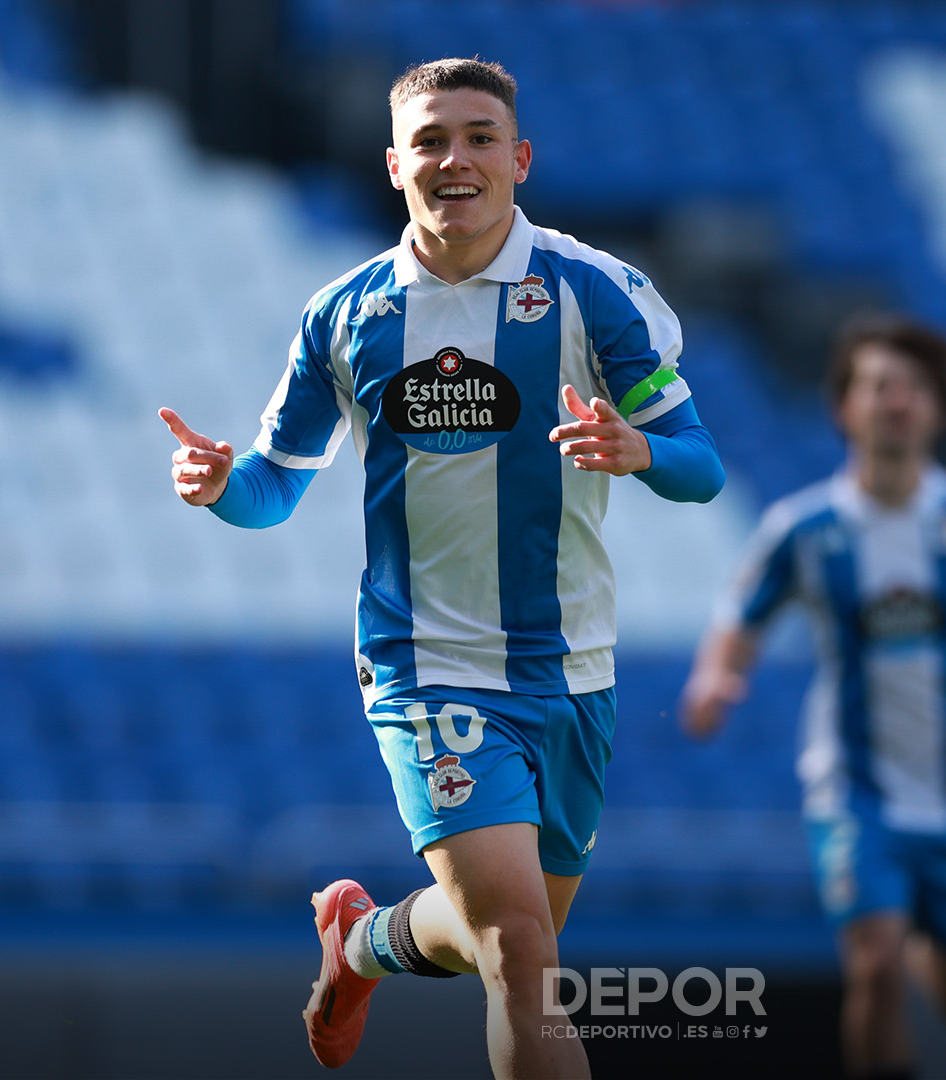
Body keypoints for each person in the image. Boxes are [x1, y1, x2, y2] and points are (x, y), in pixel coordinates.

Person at [159, 58, 722, 1078]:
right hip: (425, 665)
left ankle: (364, 942)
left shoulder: (594, 295)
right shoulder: (347, 313)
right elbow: (274, 486)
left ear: (519, 158)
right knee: (520, 951)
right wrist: (215, 485)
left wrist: (642, 452)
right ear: (392, 164)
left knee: (508, 939)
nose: (453, 157)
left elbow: (704, 470)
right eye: (429, 139)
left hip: (572, 667)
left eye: (476, 136)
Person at [681, 317, 946, 1080]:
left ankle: (922, 926)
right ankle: (896, 938)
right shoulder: (804, 528)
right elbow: (738, 621)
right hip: (854, 791)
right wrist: (714, 679)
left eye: (915, 388)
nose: (898, 401)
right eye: (880, 385)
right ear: (844, 408)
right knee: (874, 968)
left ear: (939, 411)